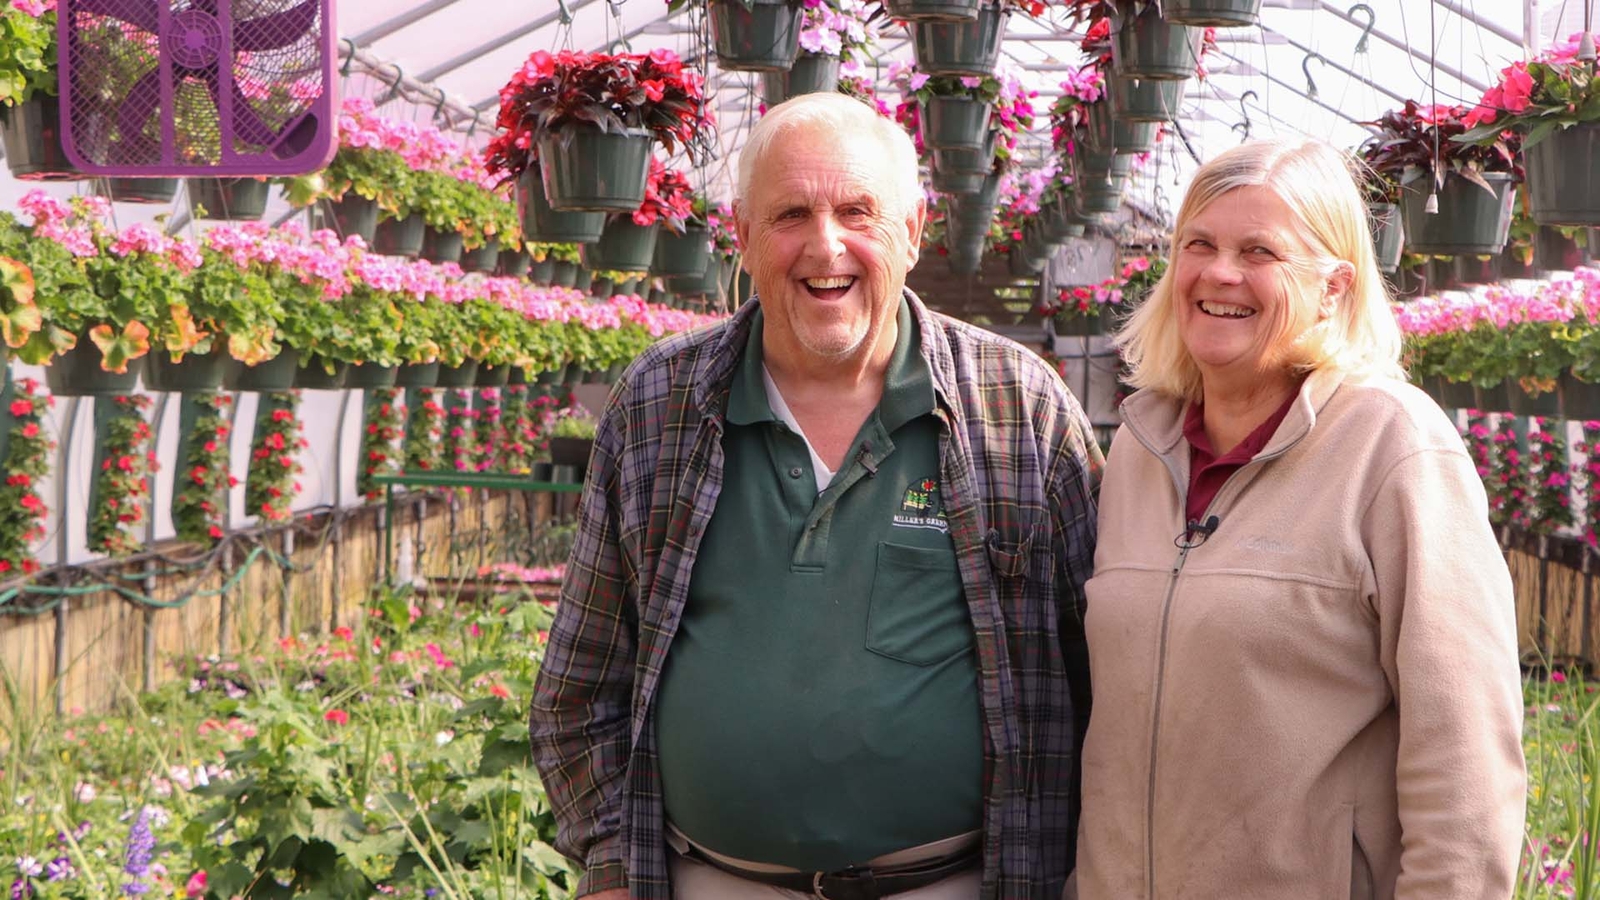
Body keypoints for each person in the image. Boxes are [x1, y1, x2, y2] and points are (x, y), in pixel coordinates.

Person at [529, 91, 1102, 900]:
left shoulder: (1021, 409)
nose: (825, 245)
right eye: (791, 213)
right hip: (713, 882)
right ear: (744, 238)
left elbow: (1104, 675)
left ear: (911, 231)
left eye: (858, 212)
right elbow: (580, 682)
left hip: (958, 883)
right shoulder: (660, 403)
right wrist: (612, 867)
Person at [1071, 139, 1526, 899]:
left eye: (1259, 252)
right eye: (1200, 245)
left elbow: (1466, 765)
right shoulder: (1138, 453)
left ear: (1334, 288)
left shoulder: (1393, 447)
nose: (1221, 273)